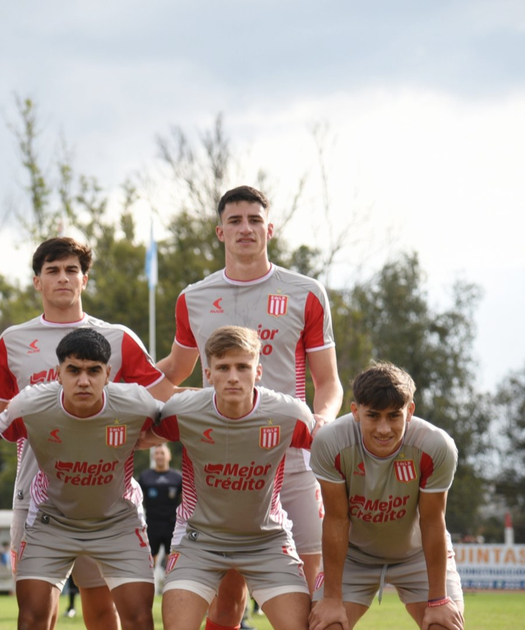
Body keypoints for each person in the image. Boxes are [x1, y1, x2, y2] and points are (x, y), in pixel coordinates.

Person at [156, 185, 343, 629]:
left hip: (293, 458)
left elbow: (328, 381)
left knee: (314, 592)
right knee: (226, 601)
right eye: (235, 221)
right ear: (220, 232)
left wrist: (322, 423)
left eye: (254, 220)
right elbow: (173, 372)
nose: (245, 228)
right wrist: (117, 391)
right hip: (223, 460)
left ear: (269, 229)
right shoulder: (194, 297)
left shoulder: (305, 292)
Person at [0, 236, 173, 630]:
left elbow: (164, 404)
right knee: (34, 614)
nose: (63, 278)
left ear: (84, 279)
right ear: (37, 281)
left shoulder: (118, 338)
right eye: (53, 271)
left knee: (102, 610)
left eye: (71, 270)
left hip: (106, 499)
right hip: (36, 498)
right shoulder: (13, 340)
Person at [0, 328, 163, 630]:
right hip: (52, 520)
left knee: (138, 618)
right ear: (58, 373)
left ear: (108, 373)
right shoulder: (28, 405)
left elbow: (174, 423)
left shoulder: (137, 403)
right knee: (31, 618)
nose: (83, 380)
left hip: (118, 520)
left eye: (93, 371)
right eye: (73, 370)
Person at [155, 325, 315, 630]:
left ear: (258, 371)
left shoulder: (289, 415)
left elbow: (335, 455)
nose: (232, 376)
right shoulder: (182, 412)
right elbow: (134, 437)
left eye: (242, 367)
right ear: (208, 372)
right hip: (199, 538)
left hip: (266, 539)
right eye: (223, 367)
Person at [308, 363, 464, 630]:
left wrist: (438, 601)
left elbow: (432, 522)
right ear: (355, 411)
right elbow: (336, 520)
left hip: (416, 555)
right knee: (328, 624)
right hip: (354, 556)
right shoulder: (330, 442)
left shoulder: (436, 446)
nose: (383, 429)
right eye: (373, 416)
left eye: (394, 416)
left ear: (410, 411)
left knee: (443, 626)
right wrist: (332, 598)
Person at [140, 443, 182, 572]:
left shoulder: (177, 477)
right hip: (152, 524)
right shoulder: (145, 477)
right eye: (157, 453)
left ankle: (171, 587)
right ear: (153, 456)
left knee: (173, 561)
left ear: (169, 456)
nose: (159, 456)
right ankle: (149, 588)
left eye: (162, 453)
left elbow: (185, 500)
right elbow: (136, 499)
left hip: (172, 524)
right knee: (149, 560)